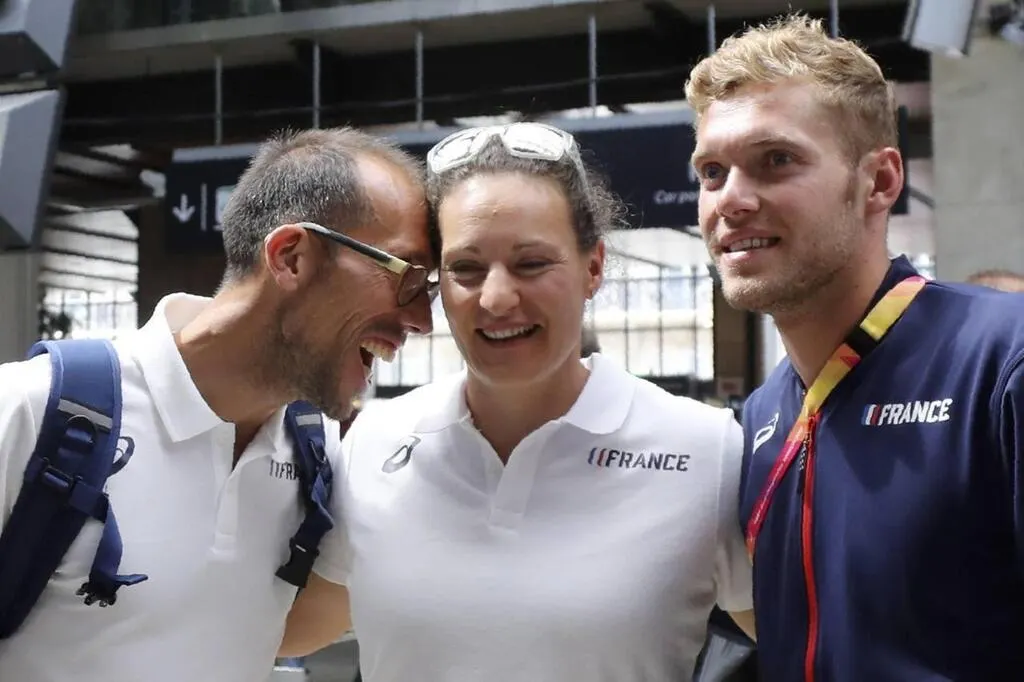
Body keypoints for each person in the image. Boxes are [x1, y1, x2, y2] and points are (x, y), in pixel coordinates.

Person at [280, 121, 755, 680]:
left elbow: (819, 639)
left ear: (593, 267)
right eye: (466, 268)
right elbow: (276, 626)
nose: (498, 297)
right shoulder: (376, 443)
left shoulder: (706, 450)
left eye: (532, 264)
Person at [0, 126, 435, 681]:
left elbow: (256, 626)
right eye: (408, 276)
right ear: (292, 257)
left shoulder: (312, 446)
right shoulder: (31, 412)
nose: (422, 319)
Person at [687, 12, 1024, 681]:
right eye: (712, 171)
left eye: (775, 161)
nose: (732, 200)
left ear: (879, 182)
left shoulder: (1000, 361)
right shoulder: (760, 419)